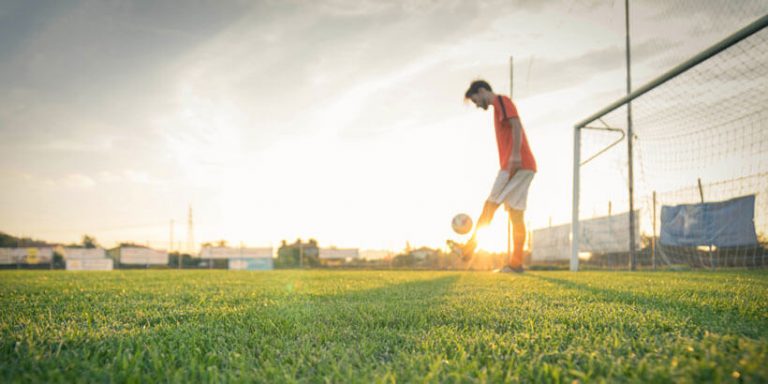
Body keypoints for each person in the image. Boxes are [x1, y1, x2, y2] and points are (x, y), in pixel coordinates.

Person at [463, 80, 537, 273]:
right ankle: (516, 264)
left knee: (490, 204)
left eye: (475, 100)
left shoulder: (502, 101)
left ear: (481, 91)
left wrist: (515, 156)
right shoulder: (497, 109)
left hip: (515, 166)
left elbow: (516, 125)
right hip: (525, 166)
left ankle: (470, 247)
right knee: (516, 214)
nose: (477, 105)